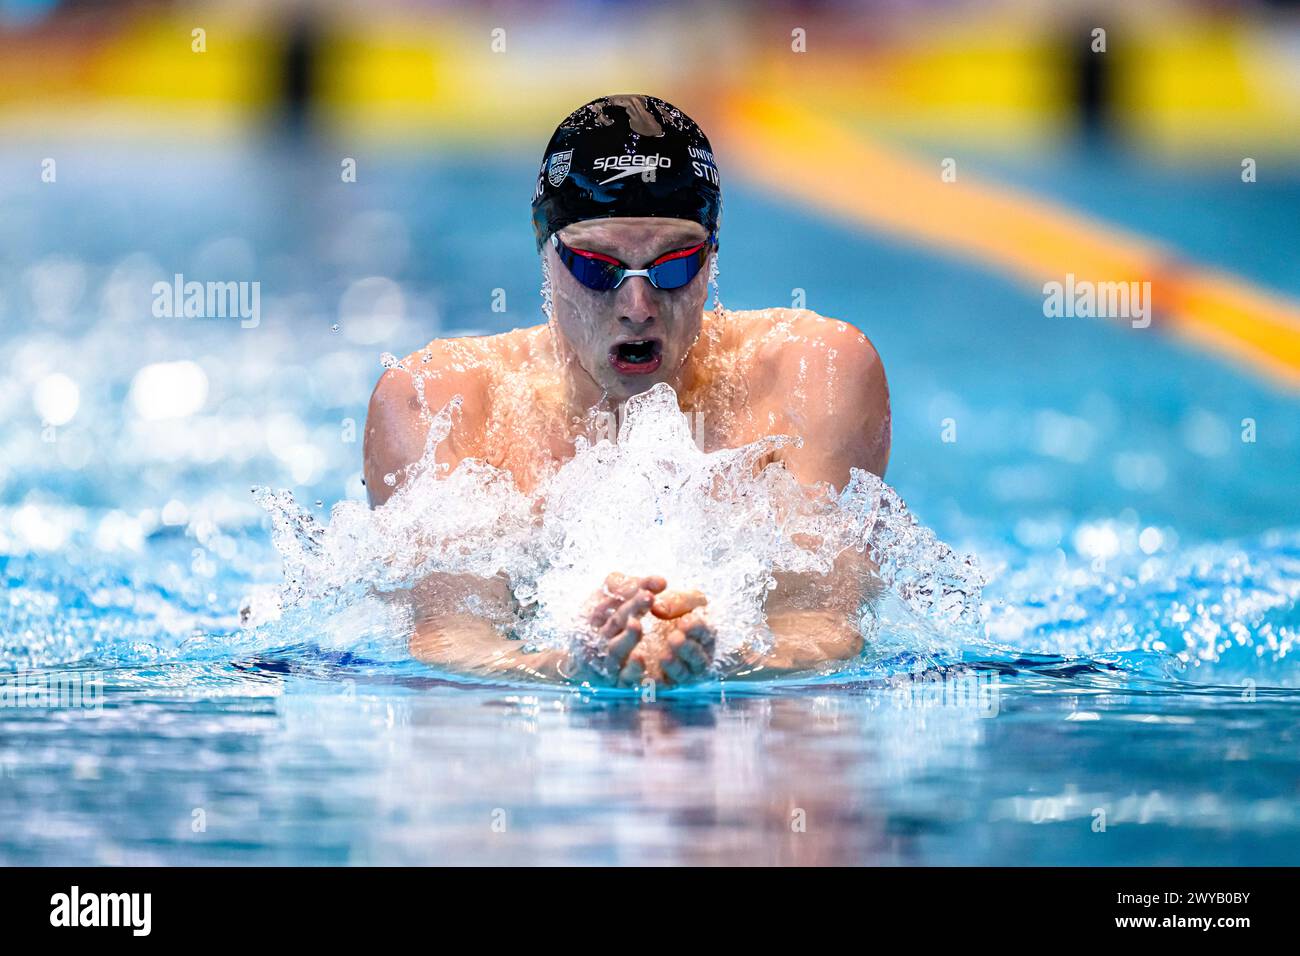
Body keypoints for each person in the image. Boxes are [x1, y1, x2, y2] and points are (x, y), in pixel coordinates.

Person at [364, 94, 890, 687]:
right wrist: (570, 666)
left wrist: (726, 662)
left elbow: (820, 623)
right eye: (597, 267)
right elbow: (450, 638)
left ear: (712, 257)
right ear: (547, 252)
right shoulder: (443, 399)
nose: (637, 307)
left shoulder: (812, 373)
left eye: (672, 267)